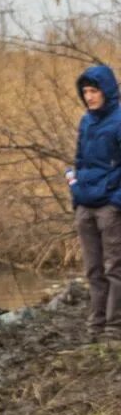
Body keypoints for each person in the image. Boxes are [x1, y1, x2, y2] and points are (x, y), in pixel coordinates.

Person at [71, 64, 121, 338]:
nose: (89, 96)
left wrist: (116, 202)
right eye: (85, 91)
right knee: (93, 270)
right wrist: (76, 196)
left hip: (109, 207)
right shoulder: (86, 121)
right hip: (85, 205)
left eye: (94, 91)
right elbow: (79, 160)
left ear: (107, 91)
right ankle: (95, 325)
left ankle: (114, 328)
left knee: (115, 268)